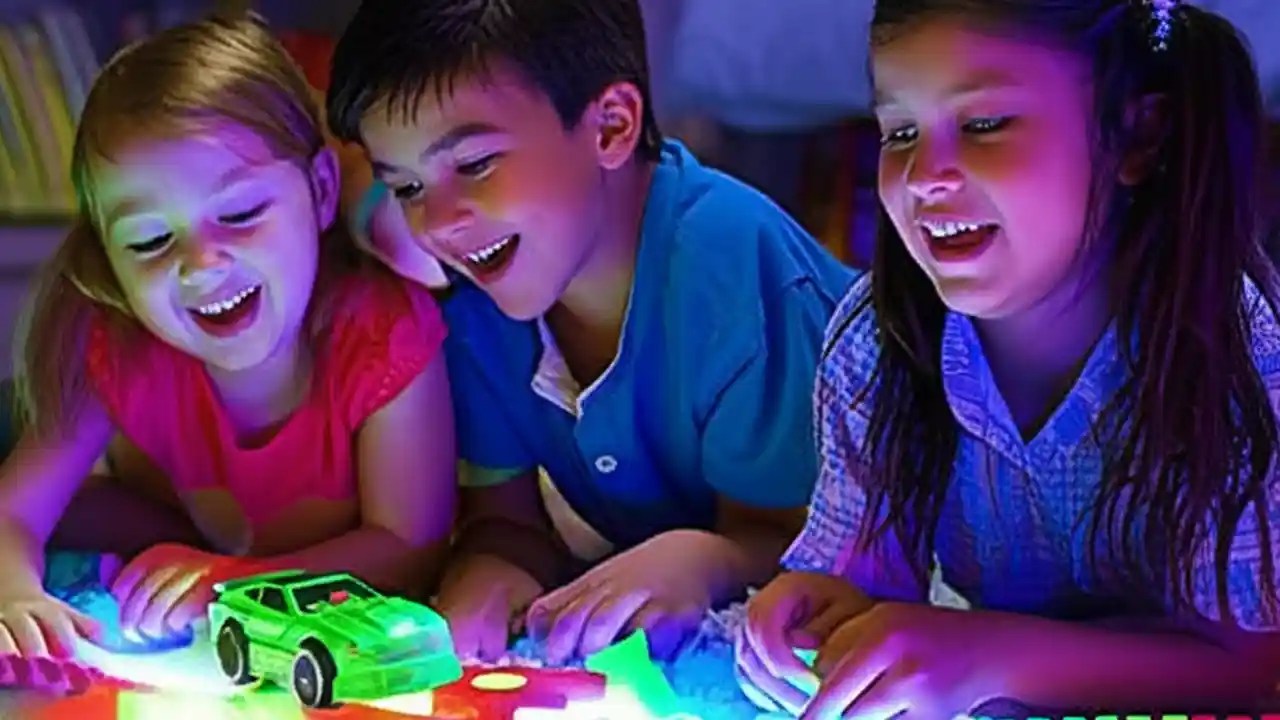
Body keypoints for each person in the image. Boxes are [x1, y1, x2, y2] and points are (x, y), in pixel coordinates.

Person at [736, 0, 1280, 716]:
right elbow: (865, 581)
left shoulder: (1227, 349)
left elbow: (1250, 665)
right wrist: (811, 615)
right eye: (899, 132)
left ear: (1136, 136)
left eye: (984, 124)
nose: (924, 174)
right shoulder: (878, 338)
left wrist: (986, 654)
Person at [325, 0, 855, 663]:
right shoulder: (476, 307)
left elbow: (818, 548)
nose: (438, 222)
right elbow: (506, 521)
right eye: (405, 187)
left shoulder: (733, 269)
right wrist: (491, 568)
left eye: (475, 164)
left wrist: (706, 560)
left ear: (610, 126)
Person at [0, 14, 457, 684]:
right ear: (111, 260)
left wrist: (238, 583)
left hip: (231, 548)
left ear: (321, 190)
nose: (200, 264)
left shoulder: (383, 334)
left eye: (240, 214)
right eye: (151, 241)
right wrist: (14, 594)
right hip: (137, 507)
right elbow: (13, 510)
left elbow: (410, 544)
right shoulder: (112, 338)